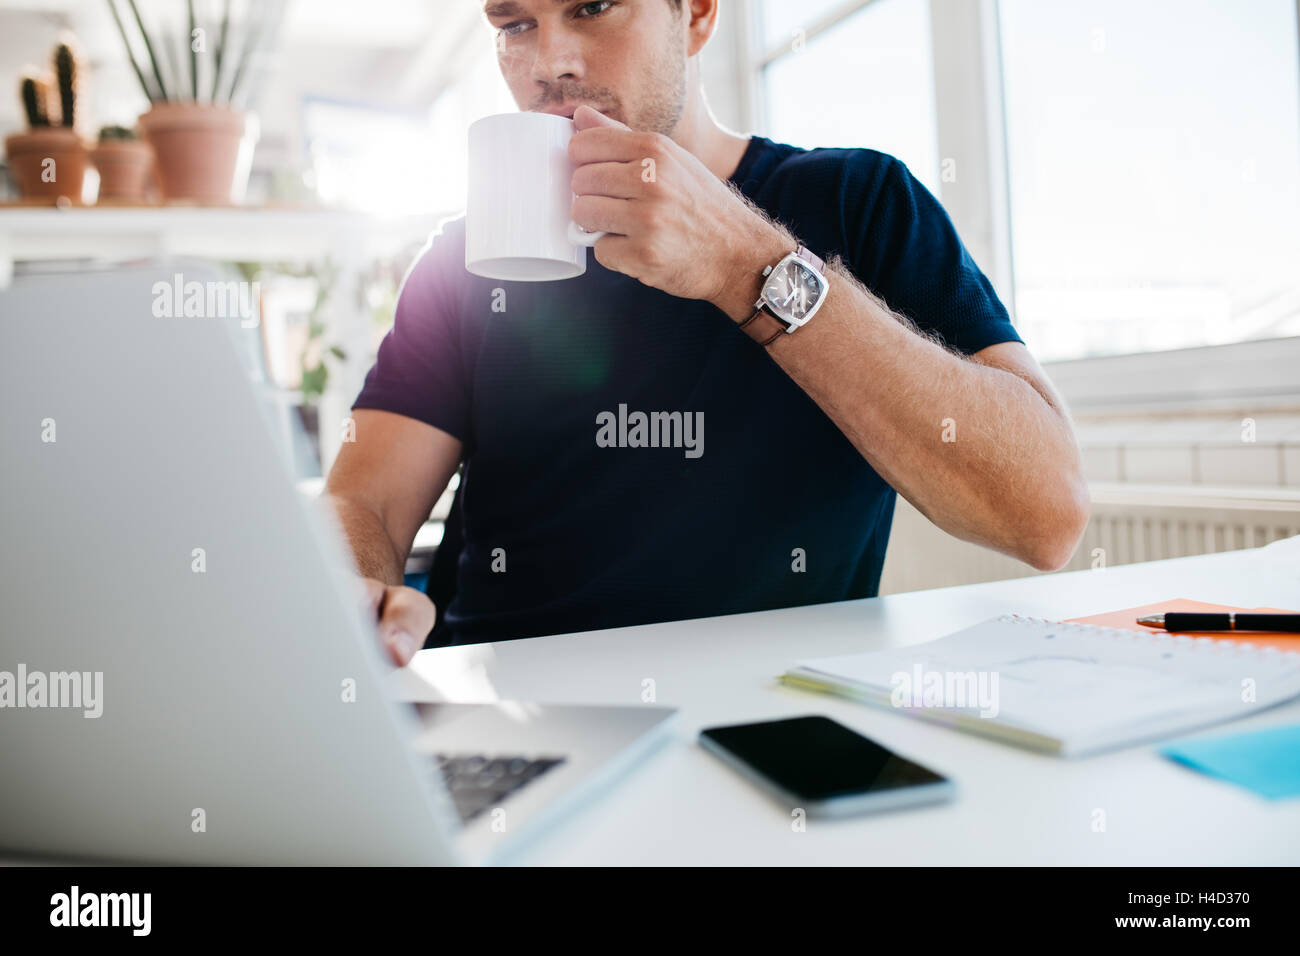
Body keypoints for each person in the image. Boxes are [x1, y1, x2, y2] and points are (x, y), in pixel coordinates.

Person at [325, 0, 1089, 664]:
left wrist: (746, 266)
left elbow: (1047, 516)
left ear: (695, 14)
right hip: (509, 712)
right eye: (514, 23)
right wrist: (357, 596)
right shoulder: (464, 261)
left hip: (767, 722)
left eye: (593, 7)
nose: (547, 63)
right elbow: (367, 504)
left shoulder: (858, 202)